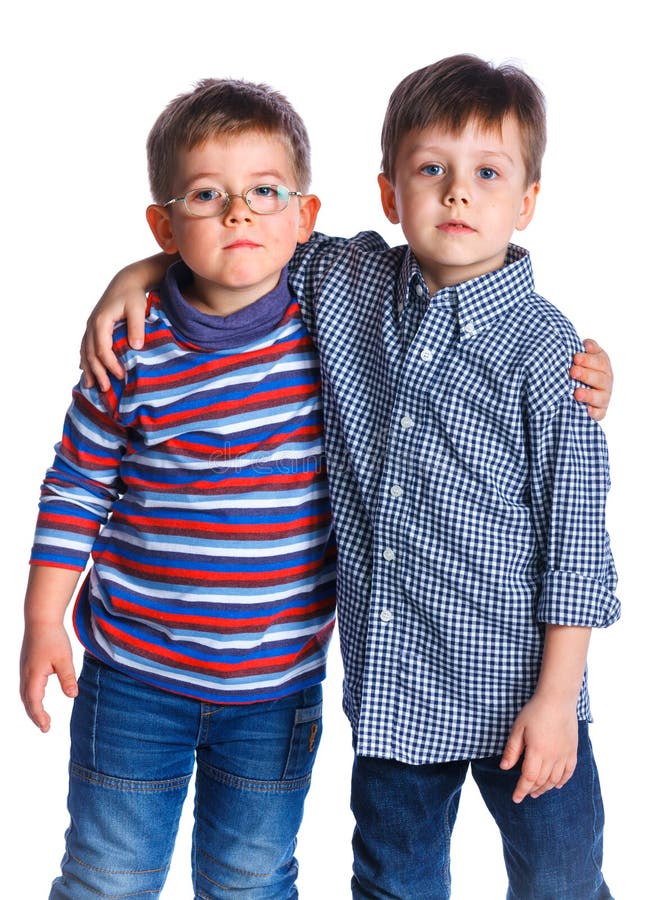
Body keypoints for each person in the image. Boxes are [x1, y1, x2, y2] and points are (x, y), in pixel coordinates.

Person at [79, 56, 617, 898]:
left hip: (522, 688)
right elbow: (241, 242)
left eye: (487, 173)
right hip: (398, 690)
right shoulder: (345, 282)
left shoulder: (551, 356)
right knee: (394, 882)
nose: (456, 194)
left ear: (527, 202)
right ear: (388, 194)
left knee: (560, 881)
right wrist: (135, 275)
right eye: (429, 170)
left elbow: (578, 550)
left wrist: (557, 700)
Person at [20, 78, 332, 899]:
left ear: (304, 216)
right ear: (164, 226)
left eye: (265, 192)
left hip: (276, 685)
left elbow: (442, 289)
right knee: (108, 877)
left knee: (250, 880)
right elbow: (76, 486)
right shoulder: (129, 347)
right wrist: (43, 619)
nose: (238, 213)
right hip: (134, 674)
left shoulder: (330, 332)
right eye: (206, 195)